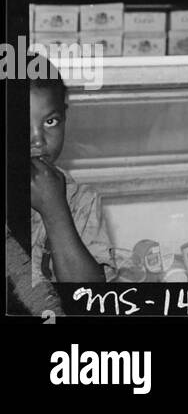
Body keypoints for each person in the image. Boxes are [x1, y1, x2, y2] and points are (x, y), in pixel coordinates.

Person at [30, 55, 113, 285]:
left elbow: (91, 298)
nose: (38, 140)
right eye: (20, 123)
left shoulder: (81, 201)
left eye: (50, 122)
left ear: (65, 117)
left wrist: (55, 211)